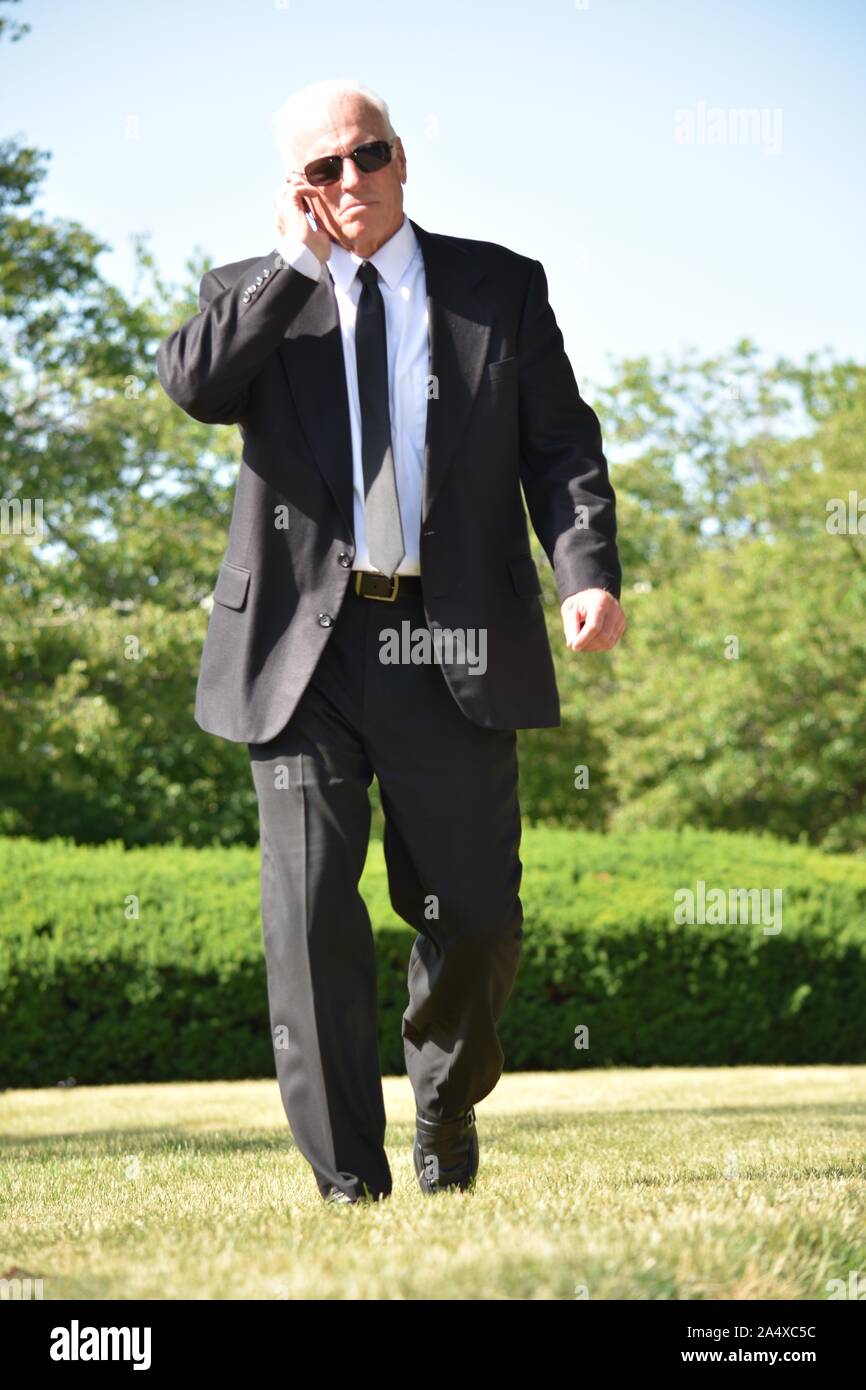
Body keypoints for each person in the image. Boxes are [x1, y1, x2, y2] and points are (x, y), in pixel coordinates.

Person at [156, 78, 626, 1206]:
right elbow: (194, 386)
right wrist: (288, 269)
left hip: (451, 638)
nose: (348, 182)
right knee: (312, 914)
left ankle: (443, 1100)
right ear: (294, 189)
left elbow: (559, 444)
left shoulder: (496, 289)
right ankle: (348, 1181)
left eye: (364, 156)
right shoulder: (253, 296)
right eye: (321, 170)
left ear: (401, 158)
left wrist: (586, 573)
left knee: (471, 915)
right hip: (300, 654)